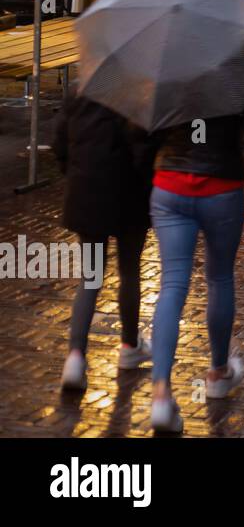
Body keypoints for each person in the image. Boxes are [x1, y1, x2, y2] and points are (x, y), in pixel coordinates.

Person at [148, 94, 244, 434]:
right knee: (219, 278)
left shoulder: (167, 66)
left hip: (170, 185)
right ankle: (218, 373)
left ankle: (160, 393)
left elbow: (146, 128)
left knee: (172, 285)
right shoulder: (241, 71)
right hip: (222, 189)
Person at [55, 91, 156, 392]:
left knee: (90, 278)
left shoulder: (78, 91)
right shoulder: (138, 95)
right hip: (129, 196)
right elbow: (144, 150)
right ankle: (129, 345)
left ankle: (75, 355)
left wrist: (75, 175)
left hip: (87, 194)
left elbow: (60, 142)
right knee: (129, 272)